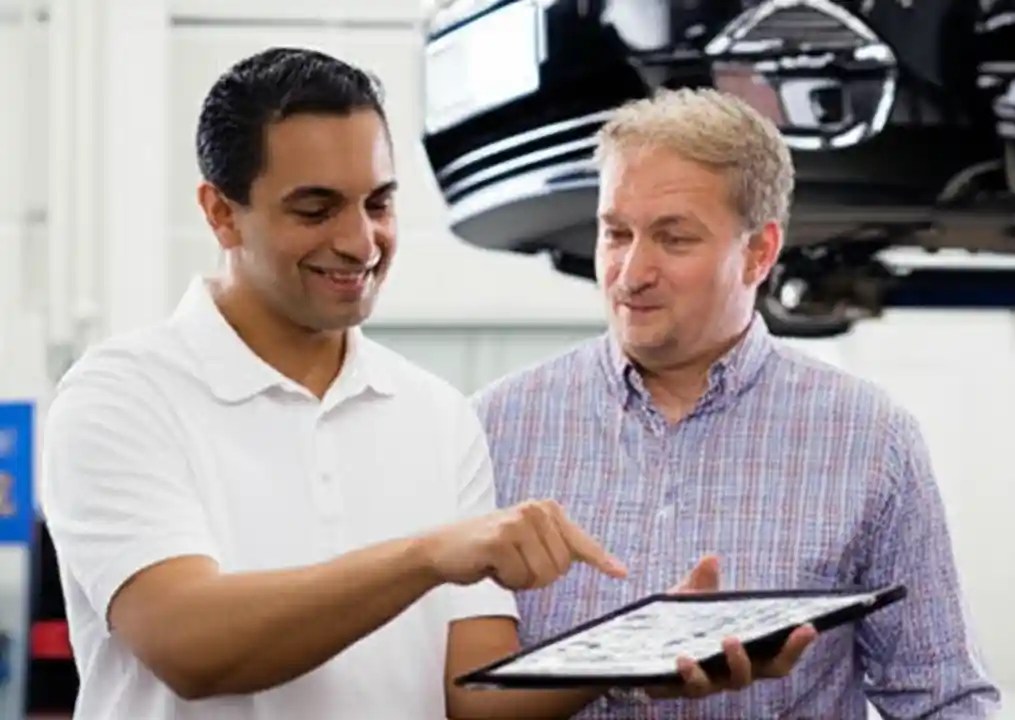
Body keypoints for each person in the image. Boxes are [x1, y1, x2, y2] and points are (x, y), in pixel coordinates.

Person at [36, 48, 810, 720]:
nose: (358, 240)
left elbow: (472, 697)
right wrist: (427, 556)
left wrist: (644, 648)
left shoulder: (435, 415)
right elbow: (190, 646)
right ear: (221, 214)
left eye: (379, 203)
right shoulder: (121, 395)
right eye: (315, 209)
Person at [472, 87, 1001, 718]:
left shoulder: (867, 438)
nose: (630, 271)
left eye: (673, 240)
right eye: (615, 233)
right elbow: (449, 689)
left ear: (759, 252)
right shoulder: (497, 426)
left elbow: (942, 697)